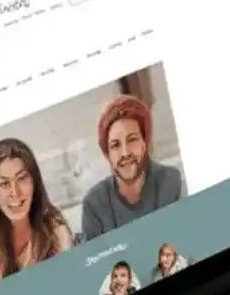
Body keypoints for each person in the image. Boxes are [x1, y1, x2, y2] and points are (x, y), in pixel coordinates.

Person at [0, 138, 74, 290]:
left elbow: (71, 290)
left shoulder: (56, 231)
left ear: (34, 182)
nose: (15, 192)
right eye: (5, 184)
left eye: (22, 178)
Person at [80, 94, 186, 241]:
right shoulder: (94, 204)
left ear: (144, 143)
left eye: (132, 140)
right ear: (107, 154)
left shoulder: (171, 182)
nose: (125, 153)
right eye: (115, 145)